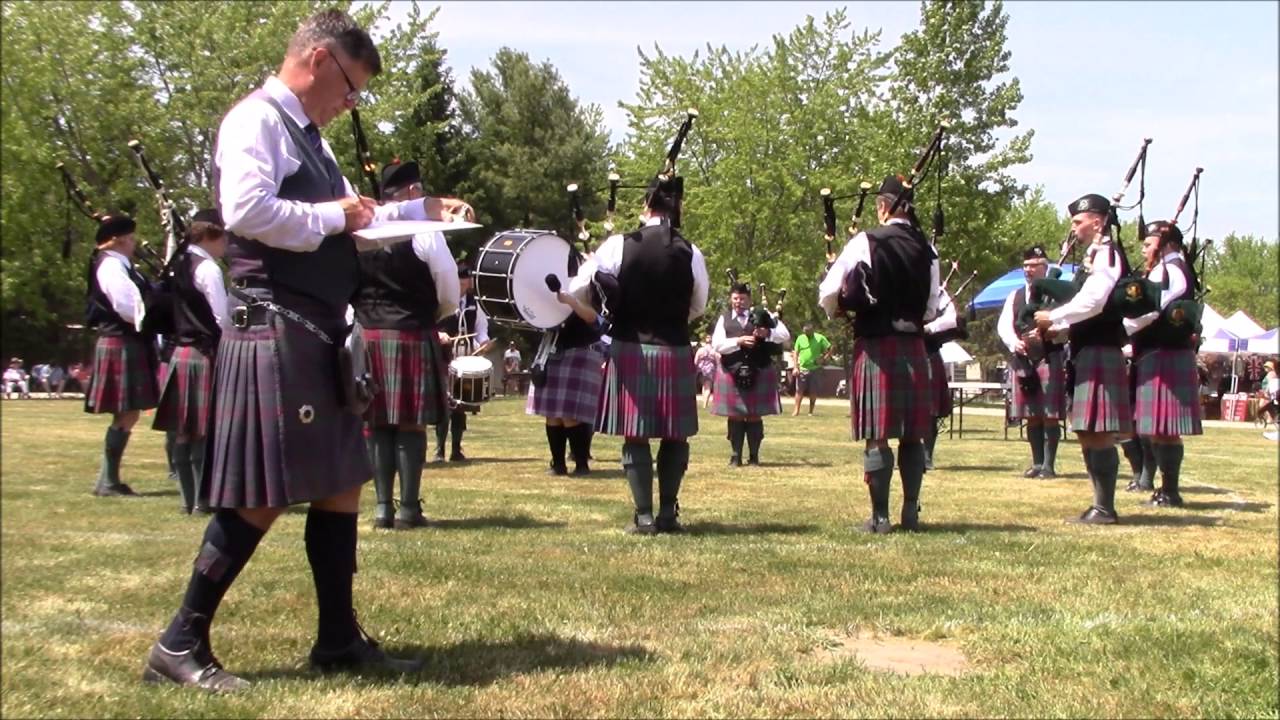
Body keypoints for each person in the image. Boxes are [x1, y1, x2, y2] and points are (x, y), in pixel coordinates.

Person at [143, 10, 475, 691]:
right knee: (261, 495)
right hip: (275, 323)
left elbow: (357, 220)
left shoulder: (310, 140)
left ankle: (336, 640)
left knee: (339, 485)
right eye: (351, 86)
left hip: (318, 326)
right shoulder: (257, 121)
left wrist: (425, 210)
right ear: (320, 60)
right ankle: (180, 641)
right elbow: (246, 212)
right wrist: (332, 216)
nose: (350, 102)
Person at [567, 173, 709, 534]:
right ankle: (668, 515)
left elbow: (580, 288)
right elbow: (699, 305)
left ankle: (643, 516)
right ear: (676, 207)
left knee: (636, 434)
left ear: (645, 206)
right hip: (675, 345)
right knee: (676, 435)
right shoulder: (691, 251)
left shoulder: (618, 245)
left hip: (630, 344)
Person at [818, 175, 940, 533]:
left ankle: (880, 518)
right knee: (913, 433)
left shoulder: (866, 240)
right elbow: (932, 307)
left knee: (878, 433)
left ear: (884, 206)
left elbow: (828, 290)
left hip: (875, 343)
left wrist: (837, 309)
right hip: (914, 344)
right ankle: (911, 514)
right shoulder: (928, 248)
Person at [354, 159, 459, 529]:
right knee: (411, 424)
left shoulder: (358, 232)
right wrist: (434, 313)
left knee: (377, 423)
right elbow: (448, 289)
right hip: (412, 330)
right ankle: (409, 509)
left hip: (368, 335)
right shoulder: (424, 231)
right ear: (413, 192)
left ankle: (383, 508)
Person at [1033, 193, 1133, 524]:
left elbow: (1094, 302)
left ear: (1098, 220)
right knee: (1087, 430)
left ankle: (1105, 508)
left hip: (1101, 349)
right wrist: (1056, 329)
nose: (1074, 228)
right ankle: (1098, 505)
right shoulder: (1094, 256)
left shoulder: (1107, 254)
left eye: (1078, 221)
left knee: (1099, 430)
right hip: (1086, 348)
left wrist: (1054, 318)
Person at [151, 210, 229, 515]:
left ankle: (188, 499)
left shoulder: (179, 263)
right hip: (203, 351)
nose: (226, 246)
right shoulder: (208, 268)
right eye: (224, 239)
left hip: (180, 352)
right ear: (212, 235)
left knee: (184, 429)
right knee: (202, 430)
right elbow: (221, 317)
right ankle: (202, 499)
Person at [1124, 221, 1204, 506]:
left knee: (1166, 429)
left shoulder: (1170, 271)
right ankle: (1164, 489)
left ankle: (1170, 492)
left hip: (1165, 354)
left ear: (1165, 242)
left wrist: (1120, 327)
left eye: (1148, 243)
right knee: (1157, 428)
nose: (1144, 249)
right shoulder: (1170, 269)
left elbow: (1152, 309)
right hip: (1157, 354)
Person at [84, 214, 160, 497]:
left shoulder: (120, 265)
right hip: (121, 339)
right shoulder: (112, 266)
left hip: (126, 340)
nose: (134, 243)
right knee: (126, 413)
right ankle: (107, 480)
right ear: (122, 239)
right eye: (131, 238)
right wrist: (156, 314)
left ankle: (108, 479)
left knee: (128, 413)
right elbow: (128, 307)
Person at [997, 245, 1067, 479]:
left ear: (1044, 267)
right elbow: (1004, 325)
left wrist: (1051, 331)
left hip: (1049, 354)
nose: (1028, 270)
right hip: (1024, 359)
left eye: (1034, 265)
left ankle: (1049, 465)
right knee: (1031, 413)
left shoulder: (1057, 293)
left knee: (1050, 413)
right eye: (1025, 266)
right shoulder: (1015, 295)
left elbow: (1068, 321)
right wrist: (1013, 343)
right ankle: (1037, 463)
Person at [526, 286, 607, 475]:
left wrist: (571, 301)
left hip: (580, 349)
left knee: (569, 414)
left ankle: (581, 464)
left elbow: (594, 319)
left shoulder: (590, 288)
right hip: (552, 348)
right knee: (551, 412)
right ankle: (558, 464)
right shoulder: (551, 287)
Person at [709, 283, 789, 466]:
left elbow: (783, 334)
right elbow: (717, 344)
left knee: (754, 415)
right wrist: (738, 341)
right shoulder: (724, 318)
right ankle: (735, 455)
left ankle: (754, 456)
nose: (739, 302)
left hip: (759, 368)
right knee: (735, 415)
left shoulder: (762, 314)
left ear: (749, 300)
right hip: (731, 370)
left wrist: (767, 332)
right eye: (735, 298)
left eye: (742, 298)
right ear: (731, 299)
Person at [434, 261, 493, 462]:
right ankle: (439, 450)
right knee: (444, 405)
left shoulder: (474, 303)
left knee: (460, 405)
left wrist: (484, 342)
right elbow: (426, 324)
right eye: (460, 278)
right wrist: (439, 334)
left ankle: (456, 449)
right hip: (443, 357)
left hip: (465, 358)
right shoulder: (441, 299)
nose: (463, 282)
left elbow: (481, 328)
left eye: (465, 279)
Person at [922, 285, 958, 470]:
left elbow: (951, 319)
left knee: (930, 411)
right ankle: (909, 454)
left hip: (928, 352)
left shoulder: (938, 292)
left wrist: (928, 327)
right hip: (903, 350)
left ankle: (926, 456)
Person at [792, 324, 832, 416]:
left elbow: (830, 349)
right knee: (799, 390)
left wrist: (824, 359)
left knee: (813, 391)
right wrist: (795, 367)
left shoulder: (820, 338)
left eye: (808, 333)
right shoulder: (800, 338)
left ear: (812, 331)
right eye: (805, 333)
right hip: (802, 369)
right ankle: (796, 410)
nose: (807, 334)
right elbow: (796, 353)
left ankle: (811, 411)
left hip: (815, 369)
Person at [694, 334, 717, 408]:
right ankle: (704, 405)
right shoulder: (714, 350)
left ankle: (704, 403)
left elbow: (695, 361)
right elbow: (718, 361)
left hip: (701, 370)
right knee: (708, 387)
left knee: (704, 386)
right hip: (710, 370)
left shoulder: (700, 350)